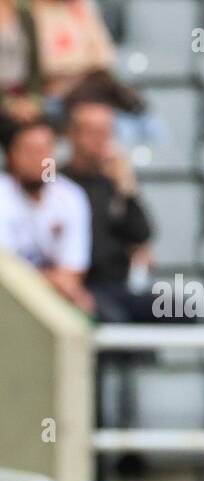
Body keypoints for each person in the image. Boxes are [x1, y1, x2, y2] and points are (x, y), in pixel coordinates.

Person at [62, 99, 154, 324]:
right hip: (81, 287)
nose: (101, 139)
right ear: (73, 135)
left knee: (181, 310)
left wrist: (127, 189)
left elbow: (142, 234)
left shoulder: (114, 183)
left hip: (119, 286)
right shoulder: (59, 184)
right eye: (93, 132)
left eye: (107, 131)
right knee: (112, 316)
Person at [0, 116, 93, 313]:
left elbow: (73, 270)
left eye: (44, 150)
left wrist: (58, 284)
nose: (38, 159)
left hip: (57, 297)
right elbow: (6, 278)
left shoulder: (70, 196)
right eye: (29, 151)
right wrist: (55, 281)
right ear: (11, 156)